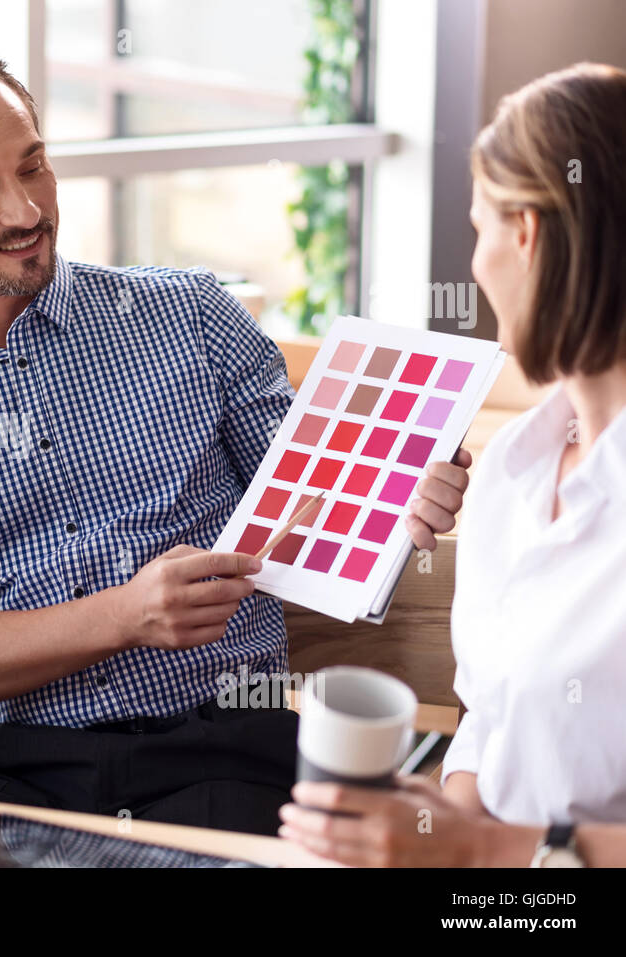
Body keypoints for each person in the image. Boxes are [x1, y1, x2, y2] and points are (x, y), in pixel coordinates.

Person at [0, 43, 469, 834]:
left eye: (33, 166)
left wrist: (400, 491)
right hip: (17, 776)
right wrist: (124, 615)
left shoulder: (193, 317)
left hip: (230, 753)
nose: (25, 211)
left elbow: (313, 499)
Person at [280, 62, 626, 866]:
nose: (474, 267)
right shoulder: (511, 469)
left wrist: (479, 854)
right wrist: (422, 825)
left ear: (529, 235)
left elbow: (494, 847)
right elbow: (489, 730)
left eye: (479, 230)